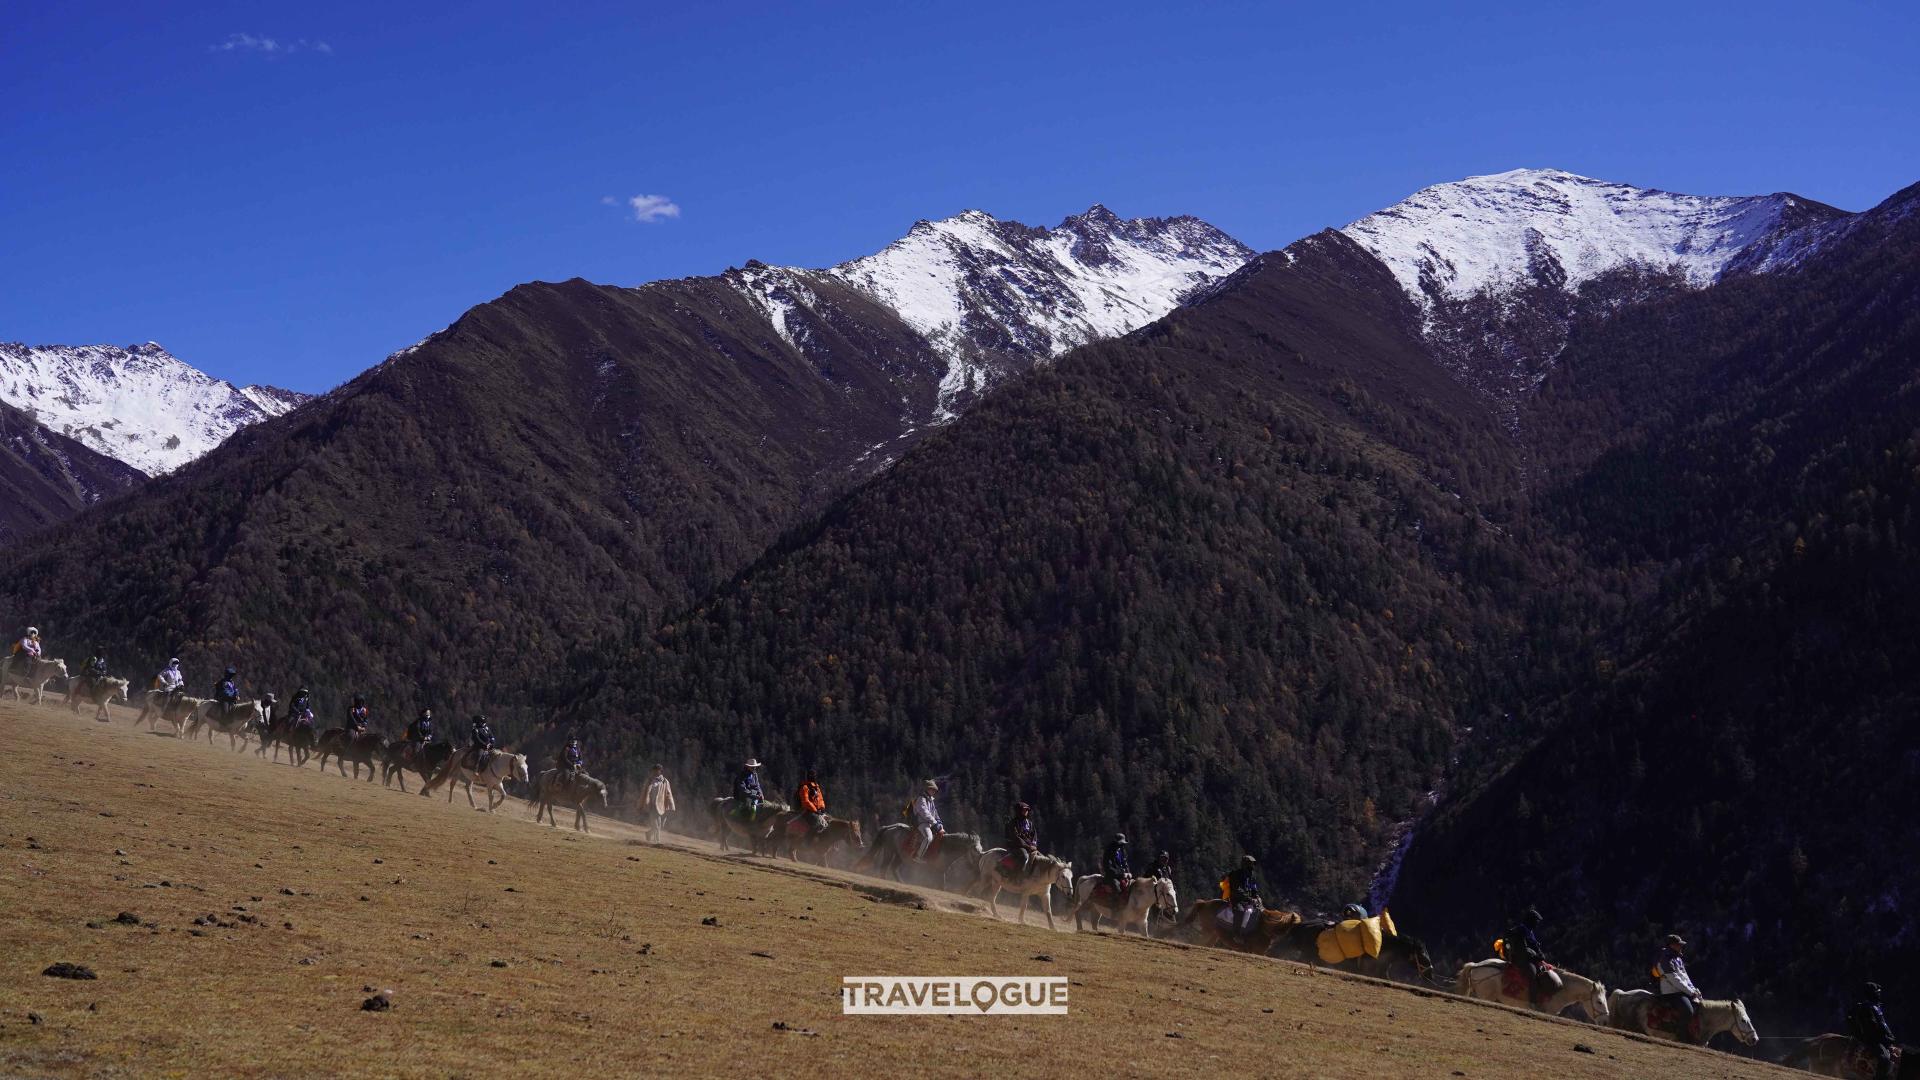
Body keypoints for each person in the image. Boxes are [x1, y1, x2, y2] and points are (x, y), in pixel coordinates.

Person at [1650, 934, 1703, 1042]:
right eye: (1678, 945)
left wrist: (1693, 989)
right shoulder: (1665, 958)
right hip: (1670, 992)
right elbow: (1674, 979)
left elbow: (1685, 977)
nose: (1680, 947)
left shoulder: (1677, 958)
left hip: (1680, 990)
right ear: (1672, 945)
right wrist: (1690, 992)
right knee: (1688, 1011)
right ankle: (1681, 1036)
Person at [1503, 907, 1560, 1006]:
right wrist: (1537, 956)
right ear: (1531, 921)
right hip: (1520, 959)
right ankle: (1532, 1002)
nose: (1537, 923)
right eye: (1536, 921)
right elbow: (1523, 949)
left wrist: (1540, 954)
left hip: (1528, 958)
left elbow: (1534, 946)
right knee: (1533, 975)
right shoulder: (1521, 931)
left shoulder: (1529, 931)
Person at [1847, 981, 1897, 1080]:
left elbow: (1883, 1024)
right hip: (1872, 1040)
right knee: (1885, 1060)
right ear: (1872, 993)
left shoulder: (1875, 1006)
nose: (1879, 994)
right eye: (1877, 992)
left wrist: (1890, 1036)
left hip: (1880, 1038)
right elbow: (1872, 1027)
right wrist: (1885, 1038)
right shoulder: (1867, 1007)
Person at [1222, 855, 1262, 937]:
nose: (1252, 866)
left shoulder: (1252, 876)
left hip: (1248, 900)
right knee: (1240, 912)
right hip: (1236, 899)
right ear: (1244, 864)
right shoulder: (1235, 874)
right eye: (1250, 864)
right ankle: (1235, 934)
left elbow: (1254, 888)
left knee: (1260, 912)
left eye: (1253, 864)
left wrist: (1257, 896)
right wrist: (1249, 899)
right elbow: (1237, 890)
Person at [910, 780, 942, 861]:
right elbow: (924, 812)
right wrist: (935, 823)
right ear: (927, 789)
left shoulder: (931, 800)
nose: (934, 791)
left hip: (929, 823)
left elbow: (935, 812)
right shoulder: (921, 799)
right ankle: (918, 857)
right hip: (922, 823)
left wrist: (939, 821)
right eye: (932, 789)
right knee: (929, 838)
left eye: (935, 790)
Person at [643, 764, 676, 842]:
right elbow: (645, 792)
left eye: (657, 770)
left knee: (659, 825)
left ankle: (649, 834)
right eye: (654, 770)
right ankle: (657, 841)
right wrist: (645, 802)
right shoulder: (650, 780)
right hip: (652, 806)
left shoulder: (665, 781)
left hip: (661, 806)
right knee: (656, 825)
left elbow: (669, 793)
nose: (655, 771)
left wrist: (671, 805)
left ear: (660, 771)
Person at [1004, 802, 1038, 872]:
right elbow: (1016, 838)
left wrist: (1034, 845)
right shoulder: (1013, 823)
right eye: (1024, 810)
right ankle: (1018, 875)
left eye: (1027, 810)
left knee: (1040, 857)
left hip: (1029, 846)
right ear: (1019, 811)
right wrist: (1028, 847)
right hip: (1016, 846)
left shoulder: (1029, 823)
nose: (1026, 812)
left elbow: (1034, 835)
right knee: (1025, 856)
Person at [795, 769, 828, 836]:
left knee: (828, 820)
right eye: (811, 775)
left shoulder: (816, 787)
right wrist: (815, 810)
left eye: (814, 775)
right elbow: (805, 801)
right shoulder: (804, 787)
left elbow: (820, 799)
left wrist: (822, 807)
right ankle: (809, 840)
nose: (813, 777)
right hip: (806, 810)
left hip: (816, 811)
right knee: (816, 822)